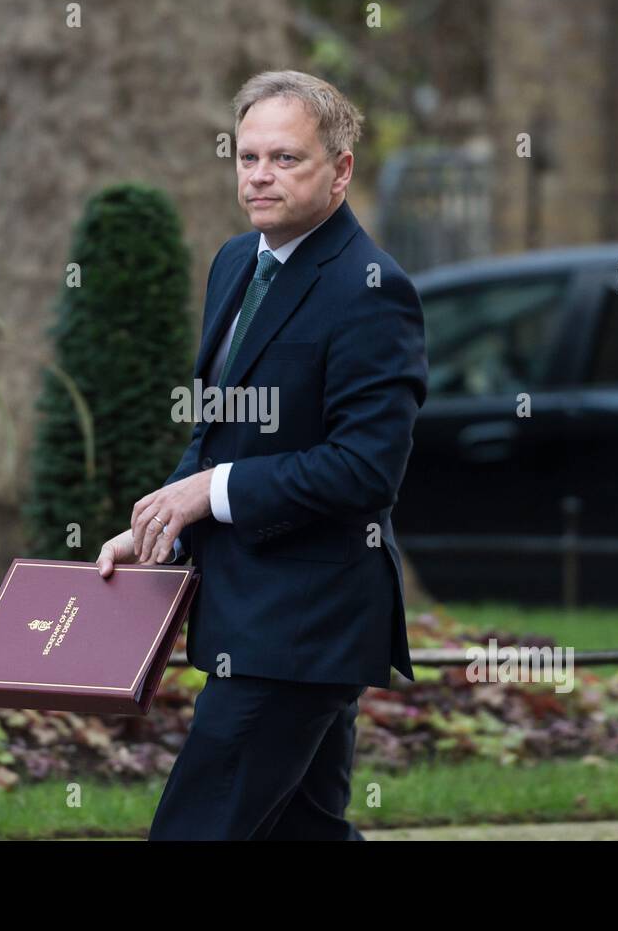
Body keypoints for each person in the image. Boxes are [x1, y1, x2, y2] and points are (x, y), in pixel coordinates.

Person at [97, 69, 427, 840]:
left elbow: (365, 468)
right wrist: (161, 519)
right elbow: (214, 433)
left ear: (340, 170)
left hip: (305, 626)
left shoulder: (373, 288)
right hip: (247, 612)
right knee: (303, 835)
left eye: (286, 159)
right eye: (248, 158)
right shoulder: (234, 263)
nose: (260, 176)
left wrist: (210, 490)